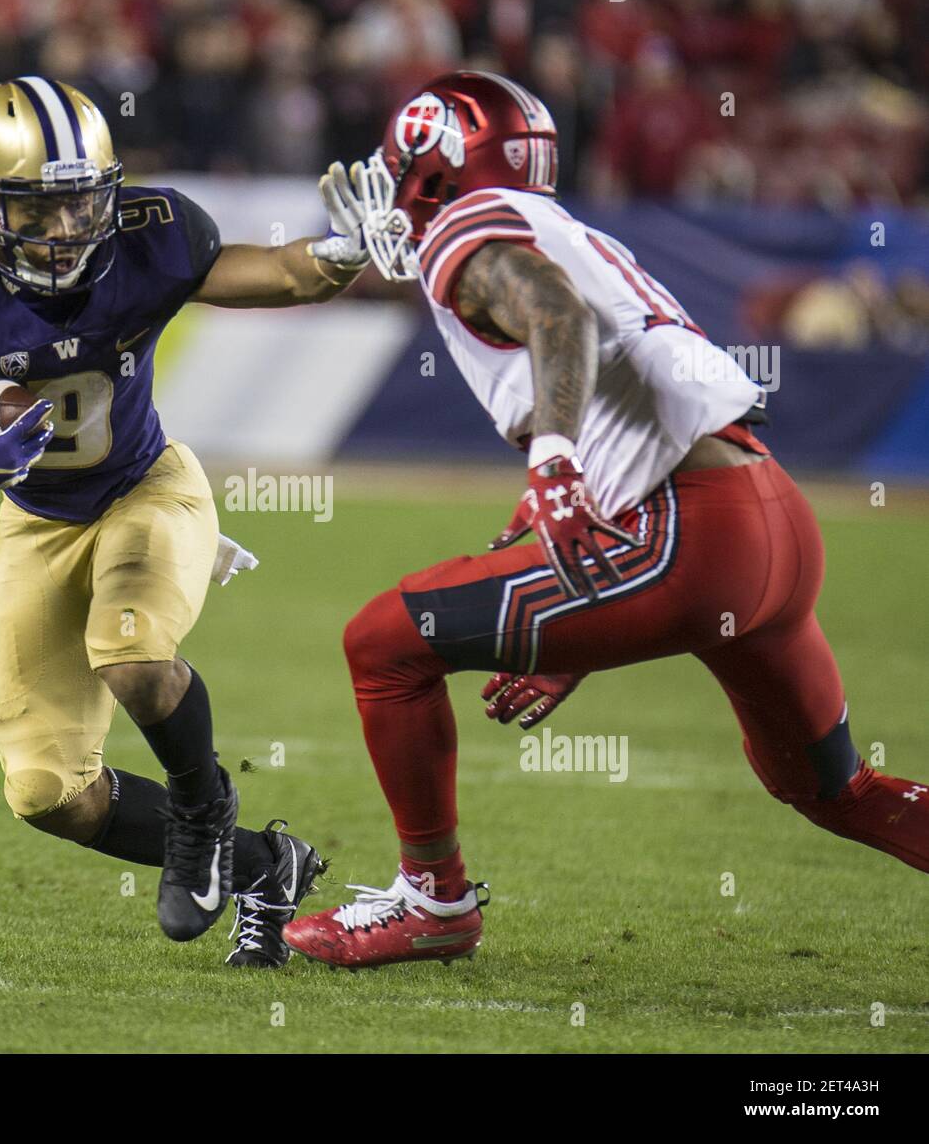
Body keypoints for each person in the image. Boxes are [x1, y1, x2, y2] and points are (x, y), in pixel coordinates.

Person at [284, 71, 929, 969]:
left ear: (431, 168)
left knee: (383, 644)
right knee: (835, 791)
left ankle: (434, 902)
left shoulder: (469, 232)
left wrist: (550, 461)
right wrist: (574, 628)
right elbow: (624, 401)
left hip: (686, 540)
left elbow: (556, 316)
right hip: (770, 519)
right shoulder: (566, 228)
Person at [0, 77, 370, 967]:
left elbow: (280, 272)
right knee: (47, 792)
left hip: (145, 489)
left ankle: (203, 806)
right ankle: (266, 866)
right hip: (36, 525)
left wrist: (343, 252)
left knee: (129, 654)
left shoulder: (151, 236)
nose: (66, 229)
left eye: (82, 203)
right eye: (35, 210)